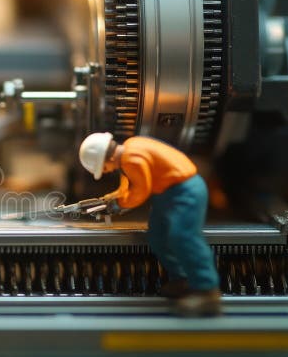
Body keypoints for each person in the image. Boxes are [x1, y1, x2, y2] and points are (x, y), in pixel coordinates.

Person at [78, 132, 221, 316]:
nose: (106, 171)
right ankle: (183, 280)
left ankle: (207, 291)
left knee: (183, 236)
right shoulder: (128, 151)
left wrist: (117, 205)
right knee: (157, 236)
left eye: (103, 167)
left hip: (185, 190)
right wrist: (113, 198)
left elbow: (140, 193)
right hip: (165, 192)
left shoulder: (132, 159)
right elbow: (128, 184)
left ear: (108, 156)